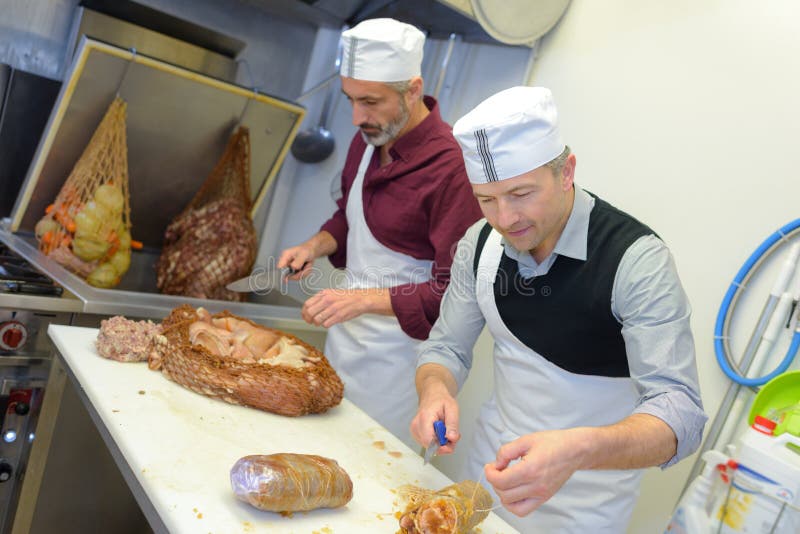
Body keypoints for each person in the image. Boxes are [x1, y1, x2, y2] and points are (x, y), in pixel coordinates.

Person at [408, 86, 707, 532]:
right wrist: (434, 390)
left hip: (586, 501)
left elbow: (681, 413)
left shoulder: (635, 260)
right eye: (486, 200)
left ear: (566, 171)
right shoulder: (481, 245)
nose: (505, 218)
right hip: (486, 479)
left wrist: (578, 450)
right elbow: (446, 347)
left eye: (521, 193)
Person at [278, 18, 482, 447]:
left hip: (401, 367)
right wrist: (313, 246)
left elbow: (455, 291)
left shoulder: (452, 168)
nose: (357, 117)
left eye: (370, 101)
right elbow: (351, 219)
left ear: (412, 89)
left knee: (372, 471)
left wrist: (363, 300)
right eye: (350, 99)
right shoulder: (370, 138)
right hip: (345, 342)